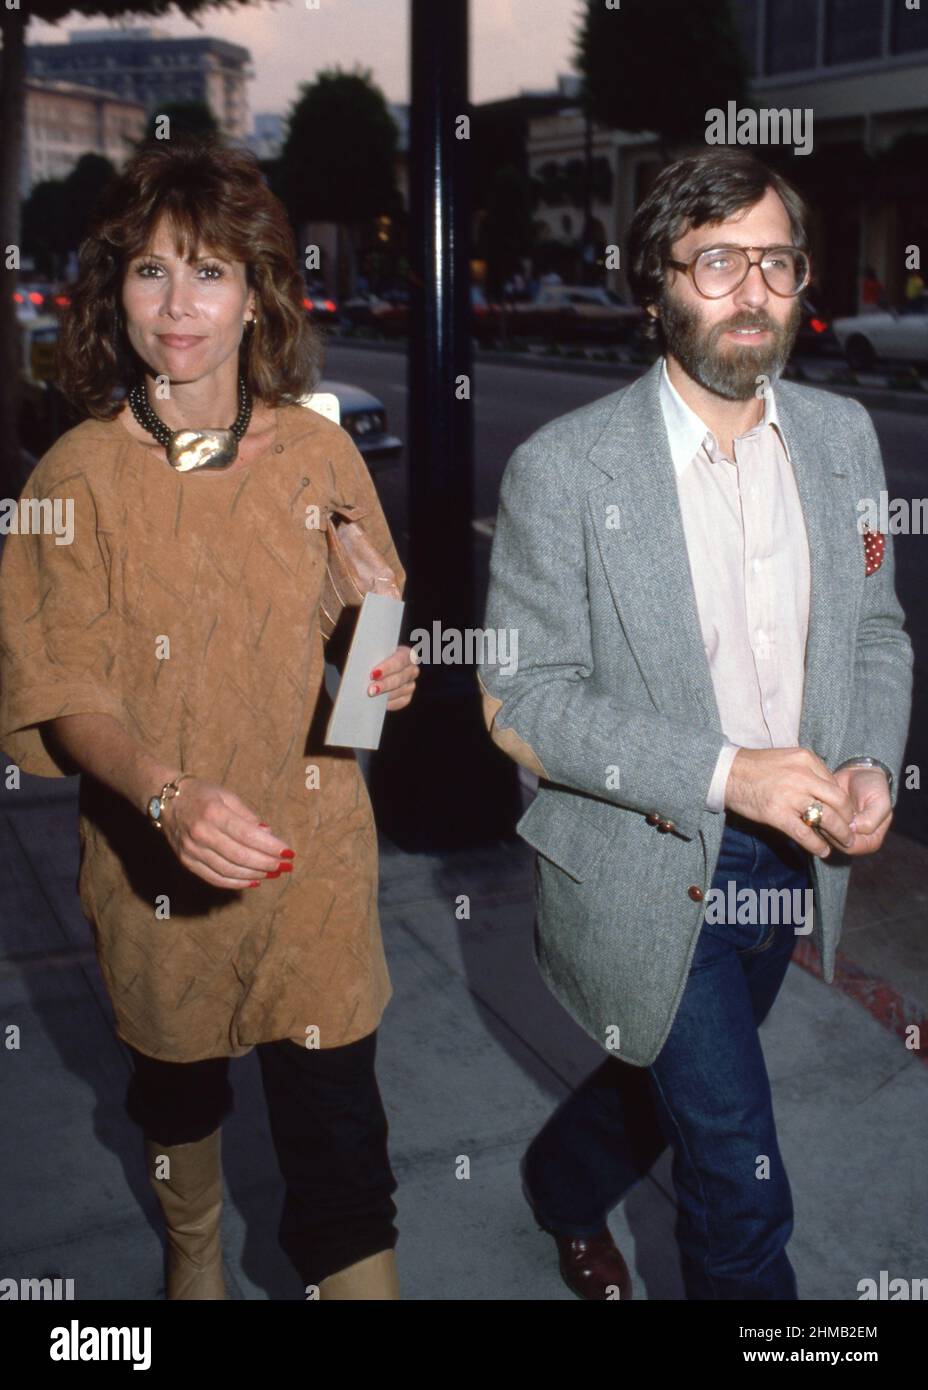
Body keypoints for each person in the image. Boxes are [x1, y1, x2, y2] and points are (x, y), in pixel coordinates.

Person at [476, 148, 913, 1300]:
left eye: (774, 259)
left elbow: (874, 632)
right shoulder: (562, 471)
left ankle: (562, 1183)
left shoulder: (843, 440)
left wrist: (866, 758)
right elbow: (523, 698)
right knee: (739, 1174)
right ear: (656, 284)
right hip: (647, 862)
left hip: (788, 864)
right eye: (716, 260)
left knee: (662, 1084)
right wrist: (730, 773)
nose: (752, 288)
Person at [0, 136, 420, 1301]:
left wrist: (383, 664)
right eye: (150, 270)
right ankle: (192, 1252)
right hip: (156, 874)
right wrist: (166, 797)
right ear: (115, 293)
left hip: (315, 871)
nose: (179, 303)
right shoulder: (72, 480)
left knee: (342, 1159)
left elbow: (369, 677)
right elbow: (59, 686)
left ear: (257, 298)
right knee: (174, 1091)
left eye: (211, 271)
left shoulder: (323, 452)